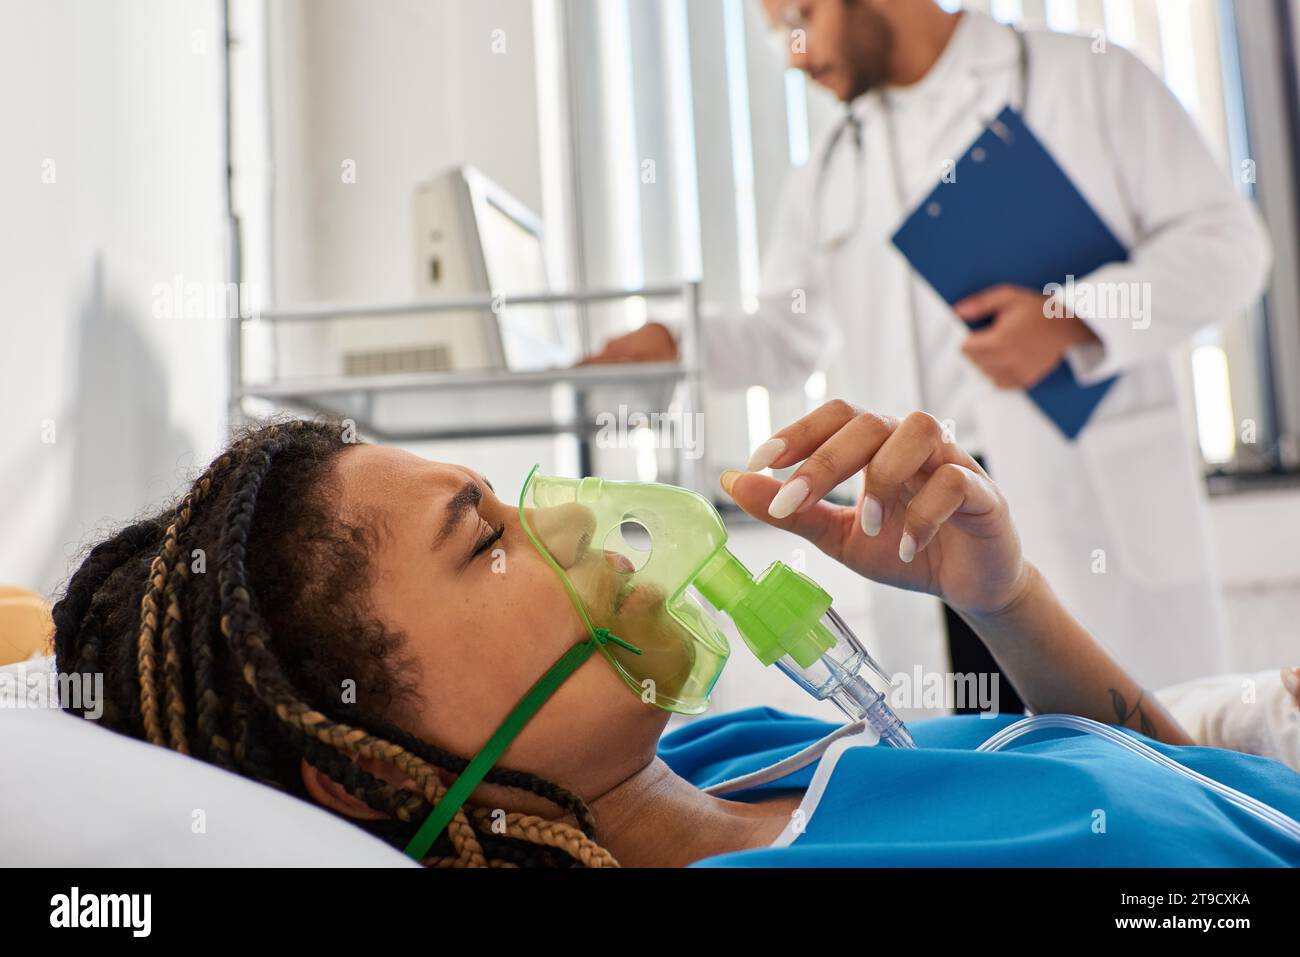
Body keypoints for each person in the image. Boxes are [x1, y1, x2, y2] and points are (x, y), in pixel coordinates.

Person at [50, 414, 1300, 867]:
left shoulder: (730, 753)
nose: (572, 520)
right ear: (360, 764)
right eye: (482, 541)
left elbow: (1162, 777)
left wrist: (1001, 594)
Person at [584, 0, 1271, 702]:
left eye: (801, 14)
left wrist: (1074, 317)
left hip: (1087, 526)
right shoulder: (832, 162)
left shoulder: (1085, 80)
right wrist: (675, 338)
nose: (793, 53)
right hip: (930, 530)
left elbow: (1232, 248)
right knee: (986, 777)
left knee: (1138, 770)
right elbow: (786, 337)